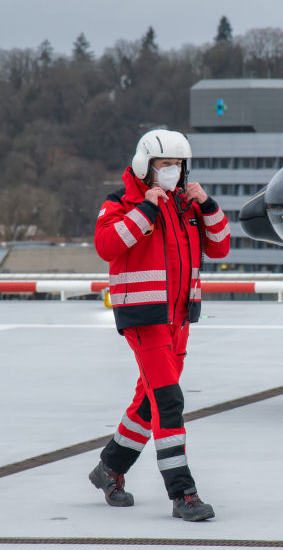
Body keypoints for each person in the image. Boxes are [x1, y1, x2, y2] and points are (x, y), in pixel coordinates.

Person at [89, 129, 230, 521]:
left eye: (178, 165)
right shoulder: (122, 202)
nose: (172, 171)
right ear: (145, 166)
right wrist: (146, 210)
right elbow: (106, 245)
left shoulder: (186, 205)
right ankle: (183, 493)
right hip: (145, 318)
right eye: (164, 164)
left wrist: (208, 204)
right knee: (168, 402)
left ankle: (109, 469)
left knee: (151, 402)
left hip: (179, 318)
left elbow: (220, 246)